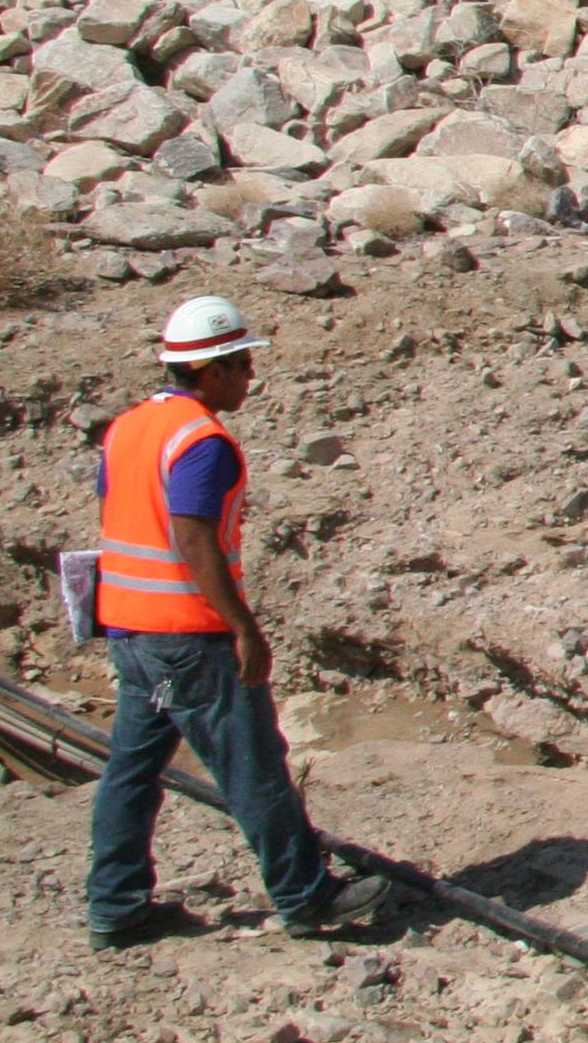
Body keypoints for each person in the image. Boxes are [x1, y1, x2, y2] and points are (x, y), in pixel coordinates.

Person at [84, 294, 388, 950]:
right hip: (187, 634)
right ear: (212, 369)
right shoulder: (203, 442)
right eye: (243, 364)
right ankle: (306, 896)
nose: (251, 377)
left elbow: (121, 514)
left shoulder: (129, 428)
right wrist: (244, 628)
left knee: (131, 773)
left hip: (128, 628)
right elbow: (192, 536)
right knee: (254, 767)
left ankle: (114, 906)